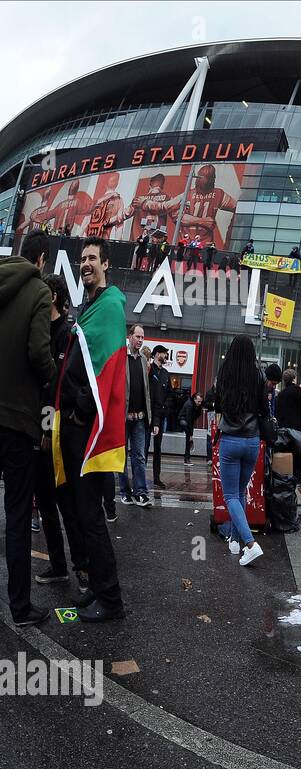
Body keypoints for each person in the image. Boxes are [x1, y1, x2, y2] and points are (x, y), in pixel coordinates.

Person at [57, 237, 127, 622]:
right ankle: (99, 589)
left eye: (92, 259)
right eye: (82, 259)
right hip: (71, 426)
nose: (85, 264)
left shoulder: (110, 304)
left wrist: (83, 409)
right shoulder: (88, 306)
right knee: (83, 515)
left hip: (87, 428)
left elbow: (105, 368)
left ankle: (111, 599)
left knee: (92, 516)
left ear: (105, 264)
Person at [0, 232, 58, 625]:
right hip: (18, 420)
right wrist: (52, 378)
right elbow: (39, 351)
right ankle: (20, 607)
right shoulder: (38, 291)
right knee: (18, 514)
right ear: (41, 259)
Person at [33, 272, 89, 589]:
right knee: (45, 500)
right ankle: (58, 566)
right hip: (41, 429)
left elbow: (55, 387)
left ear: (53, 296)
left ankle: (82, 566)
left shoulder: (68, 333)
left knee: (66, 502)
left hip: (58, 432)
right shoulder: (42, 329)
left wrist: (45, 430)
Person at [213, 336, 267, 567]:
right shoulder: (259, 376)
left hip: (231, 440)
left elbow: (217, 404)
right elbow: (265, 408)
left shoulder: (225, 374)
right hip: (252, 440)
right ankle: (235, 542)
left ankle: (250, 544)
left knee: (231, 496)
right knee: (241, 493)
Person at [120, 324, 153, 506]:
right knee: (122, 457)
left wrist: (149, 416)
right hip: (123, 417)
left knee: (139, 456)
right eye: (137, 336)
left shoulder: (143, 360)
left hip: (140, 418)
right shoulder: (121, 357)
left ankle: (141, 492)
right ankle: (125, 492)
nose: (140, 340)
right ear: (130, 336)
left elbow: (146, 390)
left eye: (142, 337)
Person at [275, 369, 301, 484]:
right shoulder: (297, 391)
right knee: (298, 453)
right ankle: (298, 476)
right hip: (296, 429)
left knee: (286, 452)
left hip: (284, 429)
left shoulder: (281, 394)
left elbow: (277, 412)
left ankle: (284, 475)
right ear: (294, 379)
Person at [149, 344, 171, 490]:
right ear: (157, 354)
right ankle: (138, 479)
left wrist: (166, 407)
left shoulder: (165, 373)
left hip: (160, 415)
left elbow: (169, 393)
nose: (165, 356)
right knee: (142, 448)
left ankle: (157, 477)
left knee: (158, 448)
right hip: (148, 414)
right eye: (164, 353)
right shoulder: (148, 369)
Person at [178, 390, 202, 466]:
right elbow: (188, 419)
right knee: (188, 436)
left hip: (189, 420)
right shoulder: (189, 405)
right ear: (195, 399)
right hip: (183, 419)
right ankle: (187, 458)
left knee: (188, 438)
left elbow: (194, 417)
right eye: (198, 401)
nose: (199, 403)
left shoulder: (197, 405)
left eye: (200, 401)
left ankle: (187, 457)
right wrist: (191, 434)